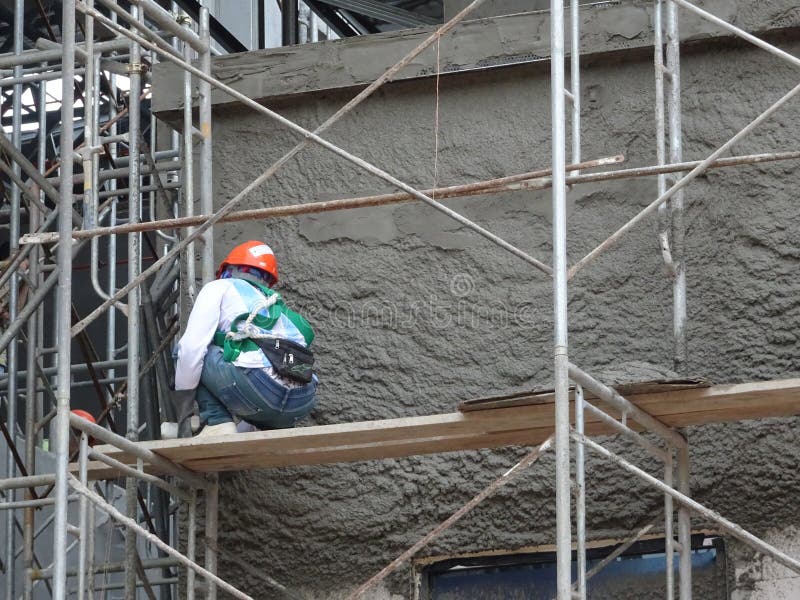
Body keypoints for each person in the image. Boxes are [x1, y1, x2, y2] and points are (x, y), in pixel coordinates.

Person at [172, 241, 317, 438]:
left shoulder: (220, 287)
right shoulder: (282, 311)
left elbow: (190, 349)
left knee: (193, 350)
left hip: (258, 390)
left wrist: (184, 412)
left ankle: (216, 421)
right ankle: (253, 432)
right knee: (259, 366)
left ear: (228, 269)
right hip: (301, 403)